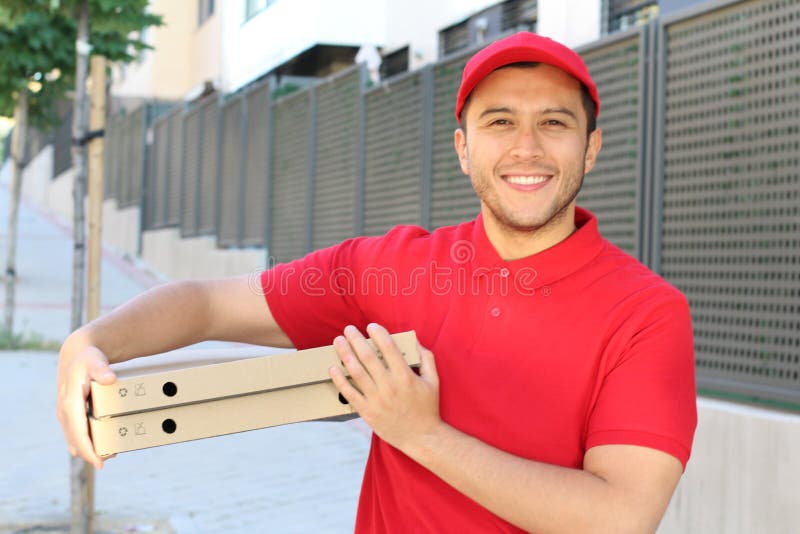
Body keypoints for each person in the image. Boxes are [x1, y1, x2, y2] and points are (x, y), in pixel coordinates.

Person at [58, 32, 697, 533]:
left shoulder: (645, 313)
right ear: (463, 148)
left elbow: (619, 518)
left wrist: (420, 433)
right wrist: (89, 343)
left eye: (554, 123)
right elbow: (205, 304)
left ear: (590, 148)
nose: (526, 146)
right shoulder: (390, 268)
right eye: (500, 121)